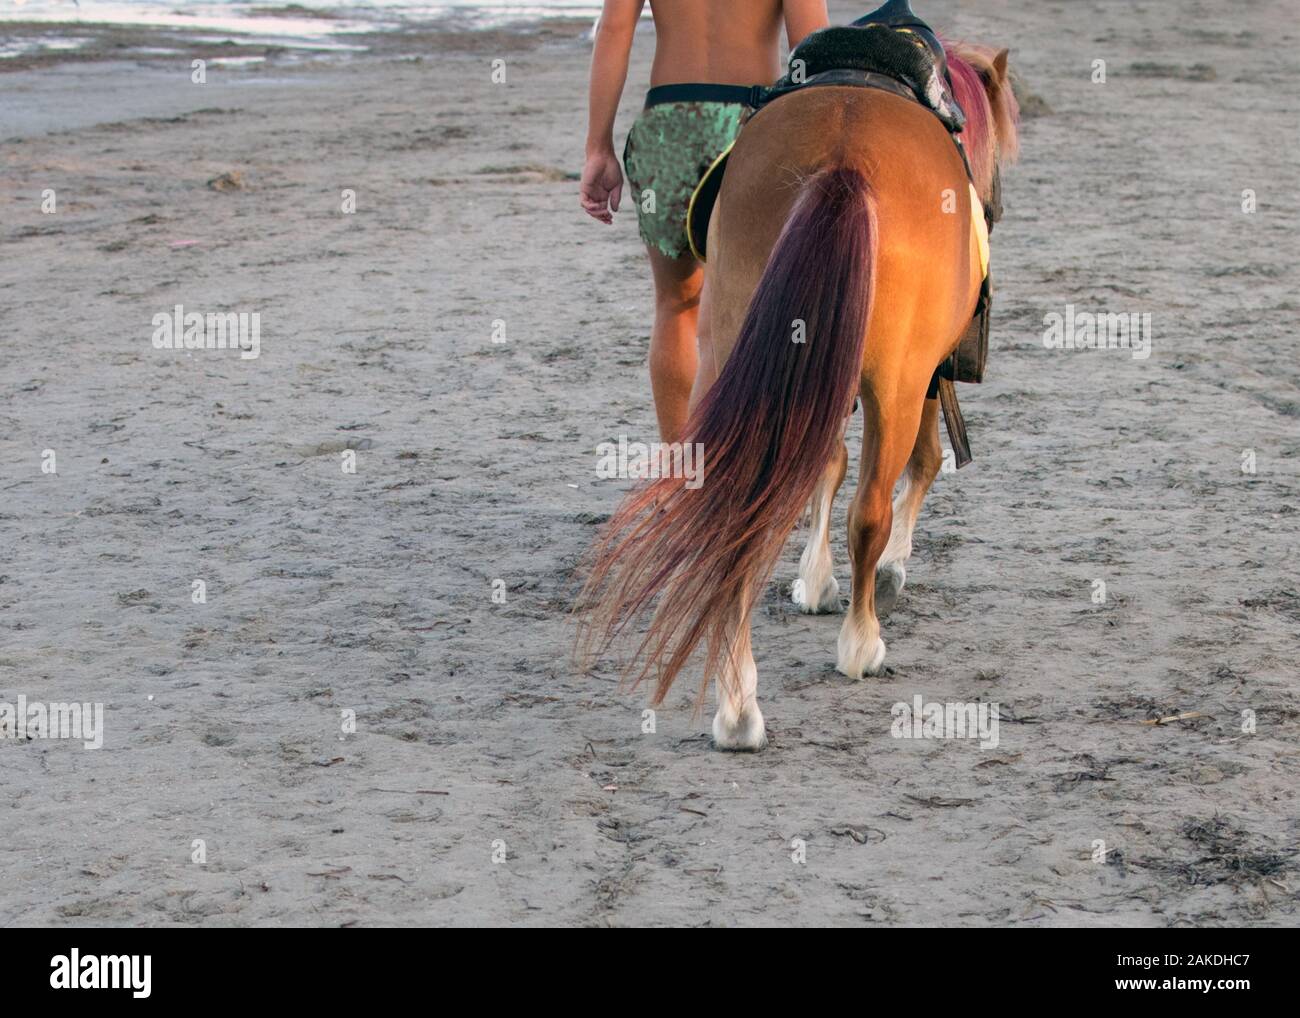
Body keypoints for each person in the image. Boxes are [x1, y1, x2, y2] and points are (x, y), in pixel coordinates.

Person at [580, 0, 829, 444]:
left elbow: (615, 30)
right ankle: (736, 456)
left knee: (675, 304)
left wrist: (598, 148)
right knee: (747, 305)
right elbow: (810, 48)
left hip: (667, 126)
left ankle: (680, 467)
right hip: (752, 126)